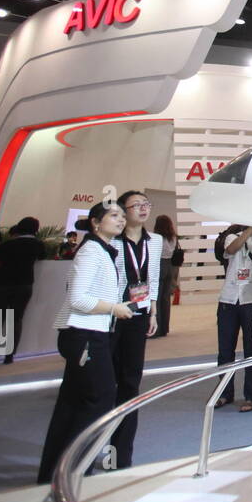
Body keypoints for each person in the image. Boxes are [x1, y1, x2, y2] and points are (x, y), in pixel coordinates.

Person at [37, 202, 135, 484]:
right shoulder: (91, 252)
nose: (120, 220)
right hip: (85, 335)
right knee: (98, 399)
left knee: (72, 404)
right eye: (114, 216)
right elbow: (79, 299)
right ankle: (76, 470)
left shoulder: (101, 251)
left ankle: (55, 473)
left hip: (88, 334)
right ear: (95, 222)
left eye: (121, 215)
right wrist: (113, 308)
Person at [107, 191, 161, 469]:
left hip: (138, 316)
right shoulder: (111, 241)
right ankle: (99, 444)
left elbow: (153, 277)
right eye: (136, 205)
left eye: (146, 204)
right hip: (110, 316)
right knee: (105, 384)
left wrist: (153, 309)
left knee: (130, 382)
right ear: (123, 211)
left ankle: (122, 452)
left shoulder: (156, 241)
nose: (142, 209)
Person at [215, 226, 252, 411]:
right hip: (228, 300)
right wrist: (249, 231)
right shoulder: (232, 236)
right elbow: (230, 250)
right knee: (225, 350)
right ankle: (224, 393)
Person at [0, 216, 46, 366]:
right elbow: (42, 257)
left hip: (3, 283)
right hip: (24, 285)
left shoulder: (10, 244)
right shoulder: (37, 245)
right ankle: (9, 356)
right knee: (16, 320)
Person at [153, 215, 179, 338]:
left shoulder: (156, 238)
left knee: (156, 299)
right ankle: (164, 328)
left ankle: (156, 328)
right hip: (170, 267)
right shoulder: (173, 237)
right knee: (166, 298)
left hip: (159, 265)